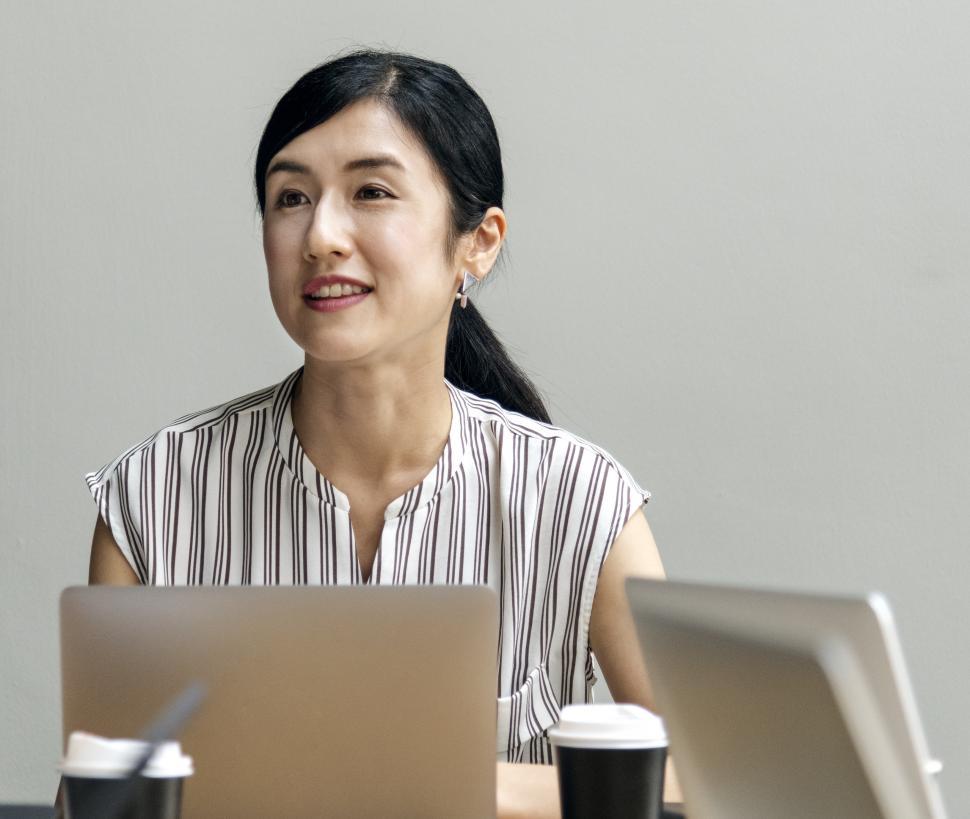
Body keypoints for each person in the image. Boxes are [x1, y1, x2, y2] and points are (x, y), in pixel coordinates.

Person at [82, 47, 676, 817]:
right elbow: (91, 795)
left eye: (370, 191)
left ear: (479, 242)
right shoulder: (154, 496)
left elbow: (703, 762)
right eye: (290, 196)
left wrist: (466, 779)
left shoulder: (582, 501)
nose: (321, 235)